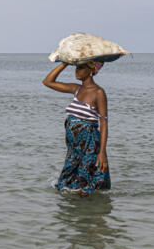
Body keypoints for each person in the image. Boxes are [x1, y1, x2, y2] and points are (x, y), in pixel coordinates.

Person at [43, 61, 111, 194]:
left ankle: (89, 212)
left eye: (80, 68)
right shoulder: (76, 89)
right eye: (76, 68)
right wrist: (65, 63)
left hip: (90, 143)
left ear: (91, 70)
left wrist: (102, 153)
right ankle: (76, 211)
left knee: (87, 182)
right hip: (74, 146)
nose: (76, 71)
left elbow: (104, 124)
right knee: (67, 183)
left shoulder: (99, 92)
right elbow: (48, 81)